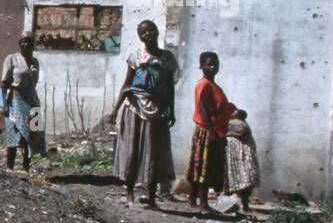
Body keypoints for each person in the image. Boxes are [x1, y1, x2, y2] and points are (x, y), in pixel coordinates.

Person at [110, 20, 178, 210]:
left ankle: (152, 196)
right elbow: (127, 84)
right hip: (135, 107)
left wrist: (172, 109)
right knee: (132, 149)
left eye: (151, 30)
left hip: (157, 109)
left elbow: (170, 87)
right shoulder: (136, 57)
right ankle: (129, 191)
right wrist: (115, 109)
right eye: (143, 32)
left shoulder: (167, 59)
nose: (148, 34)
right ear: (140, 36)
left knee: (154, 152)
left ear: (157, 32)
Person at [186, 51, 232, 213]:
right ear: (201, 66)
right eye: (208, 64)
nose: (212, 67)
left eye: (215, 64)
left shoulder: (214, 86)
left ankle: (198, 201)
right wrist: (211, 131)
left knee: (205, 167)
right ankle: (200, 202)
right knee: (201, 168)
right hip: (206, 131)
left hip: (215, 131)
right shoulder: (204, 84)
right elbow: (202, 108)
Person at [1, 31, 43, 171]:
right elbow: (4, 82)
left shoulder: (35, 61)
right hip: (15, 99)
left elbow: (35, 81)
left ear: (33, 45)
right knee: (14, 134)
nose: (25, 44)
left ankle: (26, 167)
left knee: (32, 133)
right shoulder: (11, 59)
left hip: (31, 99)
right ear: (19, 44)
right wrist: (5, 104)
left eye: (29, 42)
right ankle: (10, 167)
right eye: (23, 41)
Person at [223, 108, 260, 213]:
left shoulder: (238, 124)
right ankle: (238, 204)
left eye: (234, 112)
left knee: (241, 180)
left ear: (239, 116)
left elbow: (235, 130)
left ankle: (243, 204)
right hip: (235, 155)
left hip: (240, 155)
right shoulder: (237, 123)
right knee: (237, 180)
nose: (232, 112)